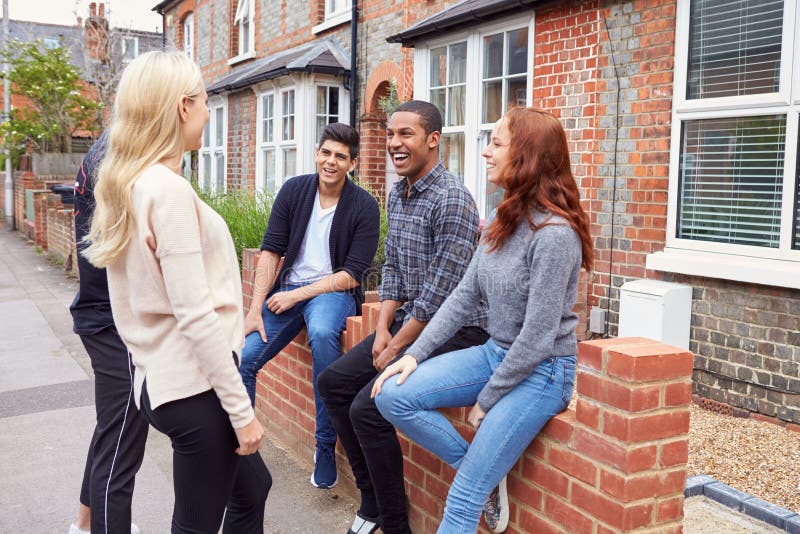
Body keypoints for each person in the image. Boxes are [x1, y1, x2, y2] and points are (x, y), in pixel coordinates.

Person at [371, 107, 594, 533]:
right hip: (495, 353)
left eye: (496, 143)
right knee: (391, 396)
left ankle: (478, 479)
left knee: (462, 497)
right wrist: (413, 355)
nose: (486, 152)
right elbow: (463, 296)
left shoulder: (555, 235)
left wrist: (488, 399)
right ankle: (482, 471)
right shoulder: (499, 219)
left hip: (543, 371)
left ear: (526, 156)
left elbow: (539, 336)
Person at [83, 51, 271, 533]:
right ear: (183, 107)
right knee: (195, 526)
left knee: (253, 487)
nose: (208, 111)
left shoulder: (132, 183)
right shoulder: (166, 191)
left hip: (167, 382)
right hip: (196, 388)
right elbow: (195, 315)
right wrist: (241, 412)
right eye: (205, 100)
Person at [317, 100, 489, 534]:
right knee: (334, 384)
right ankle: (373, 502)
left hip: (459, 330)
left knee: (369, 407)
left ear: (433, 140)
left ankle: (395, 523)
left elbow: (440, 296)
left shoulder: (452, 200)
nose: (394, 143)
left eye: (405, 134)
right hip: (412, 321)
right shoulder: (399, 193)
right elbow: (392, 267)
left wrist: (395, 346)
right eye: (391, 134)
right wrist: (381, 331)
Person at [239, 122, 380, 489]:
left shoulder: (364, 206)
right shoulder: (294, 191)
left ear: (352, 164)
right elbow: (271, 251)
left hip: (331, 293)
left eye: (340, 157)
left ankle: (324, 446)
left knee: (321, 332)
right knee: (245, 357)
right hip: (287, 290)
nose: (331, 161)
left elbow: (351, 275)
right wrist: (254, 310)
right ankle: (241, 450)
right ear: (317, 153)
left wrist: (296, 295)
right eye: (326, 153)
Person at [68, 133, 149, 534]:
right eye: (200, 103)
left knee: (112, 433)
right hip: (113, 321)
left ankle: (84, 525)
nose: (203, 110)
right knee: (120, 446)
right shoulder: (121, 158)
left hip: (102, 314)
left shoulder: (111, 149)